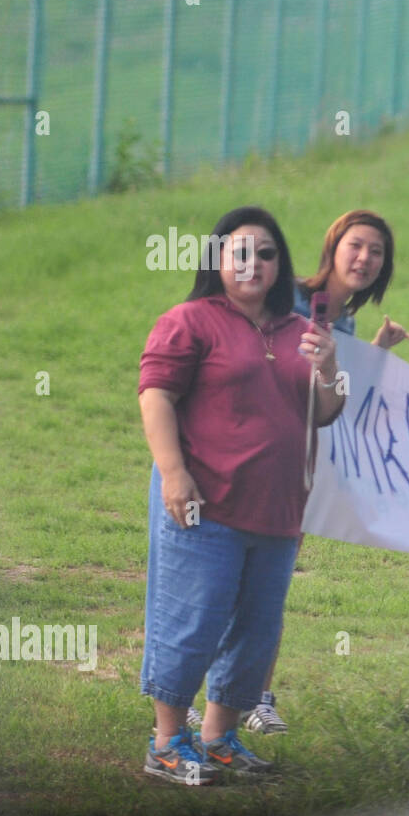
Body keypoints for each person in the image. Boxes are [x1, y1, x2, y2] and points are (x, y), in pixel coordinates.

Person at [138, 205, 345, 784]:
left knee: (257, 630)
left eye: (267, 253)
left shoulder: (303, 332)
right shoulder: (190, 320)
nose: (255, 263)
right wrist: (174, 474)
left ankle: (220, 738)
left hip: (279, 509)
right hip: (205, 503)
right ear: (217, 260)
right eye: (241, 253)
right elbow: (155, 395)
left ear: (282, 264)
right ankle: (166, 742)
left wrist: (330, 370)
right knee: (191, 619)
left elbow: (325, 413)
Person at [240, 209, 409, 736]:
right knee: (227, 584)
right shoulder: (283, 295)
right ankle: (206, 699)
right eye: (356, 245)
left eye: (376, 252)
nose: (364, 258)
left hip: (297, 474)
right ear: (333, 246)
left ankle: (256, 698)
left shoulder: (348, 325)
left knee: (270, 588)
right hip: (246, 461)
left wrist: (374, 354)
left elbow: (333, 403)